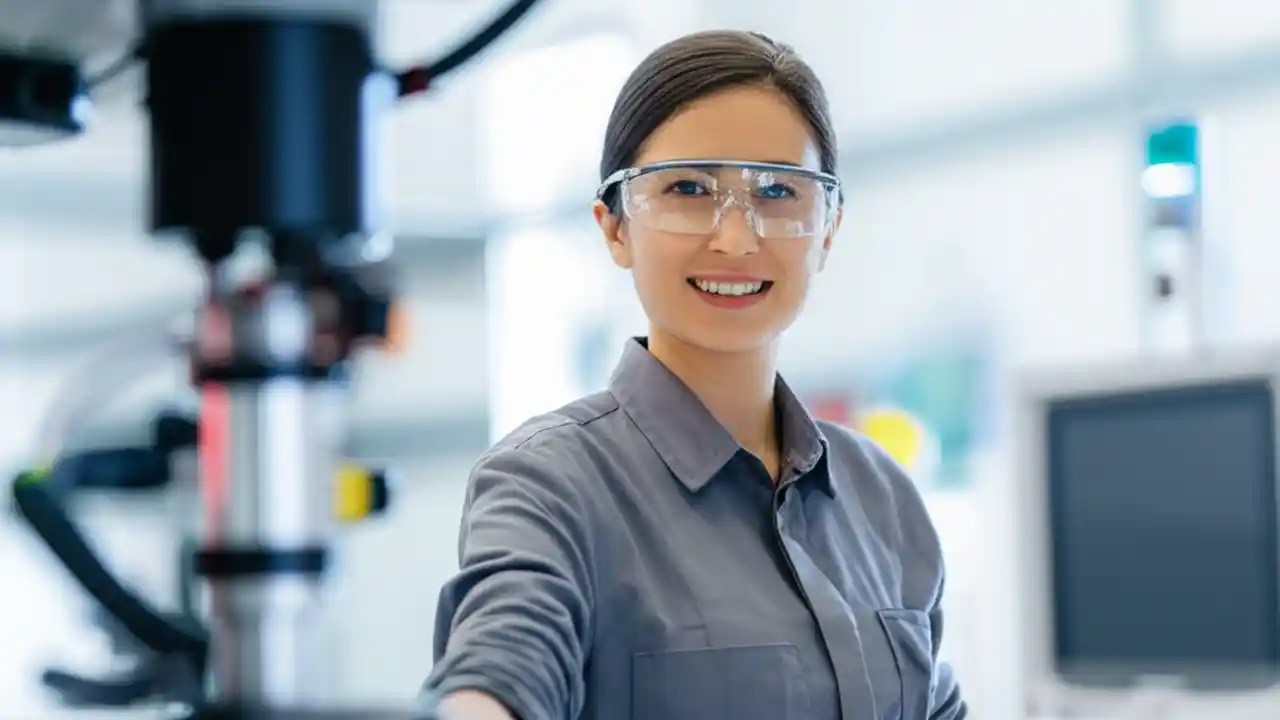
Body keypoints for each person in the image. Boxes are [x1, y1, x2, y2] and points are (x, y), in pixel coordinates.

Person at [423, 28, 967, 720]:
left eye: (777, 191)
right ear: (615, 229)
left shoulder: (882, 498)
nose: (736, 237)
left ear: (827, 229)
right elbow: (501, 665)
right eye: (688, 189)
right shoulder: (552, 484)